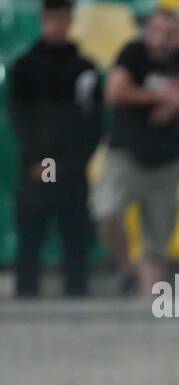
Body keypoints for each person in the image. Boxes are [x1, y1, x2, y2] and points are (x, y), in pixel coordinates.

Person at [95, 9, 179, 296]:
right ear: (148, 32)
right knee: (107, 212)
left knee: (157, 241)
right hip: (126, 154)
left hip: (166, 161)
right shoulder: (133, 54)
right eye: (158, 31)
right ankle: (125, 267)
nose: (163, 39)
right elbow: (115, 91)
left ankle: (147, 305)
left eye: (170, 33)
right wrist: (160, 97)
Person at [8, 0, 101, 298]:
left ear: (70, 20)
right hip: (38, 167)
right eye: (52, 18)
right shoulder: (25, 67)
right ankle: (27, 293)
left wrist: (71, 164)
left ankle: (77, 294)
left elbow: (94, 123)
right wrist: (41, 161)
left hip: (71, 168)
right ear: (43, 19)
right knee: (32, 231)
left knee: (74, 233)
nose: (57, 24)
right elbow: (19, 118)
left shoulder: (84, 68)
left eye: (63, 18)